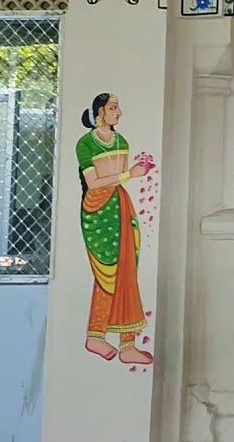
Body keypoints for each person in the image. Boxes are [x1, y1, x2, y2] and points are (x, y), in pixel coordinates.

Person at [77, 93, 156, 365]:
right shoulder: (85, 144)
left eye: (118, 107)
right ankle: (95, 336)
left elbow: (118, 178)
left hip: (120, 206)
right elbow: (95, 183)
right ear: (100, 112)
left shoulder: (121, 141)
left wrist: (134, 173)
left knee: (127, 272)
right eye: (113, 107)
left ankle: (128, 344)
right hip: (98, 210)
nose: (119, 112)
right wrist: (130, 174)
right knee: (107, 272)